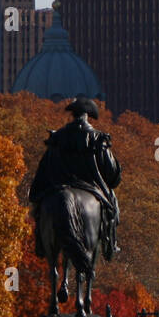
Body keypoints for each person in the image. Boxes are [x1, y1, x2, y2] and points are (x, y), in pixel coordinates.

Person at [29, 96, 121, 260]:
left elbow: (44, 167)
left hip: (57, 186)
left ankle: (40, 242)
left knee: (38, 210)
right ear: (88, 116)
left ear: (73, 115)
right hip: (91, 186)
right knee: (112, 207)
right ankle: (109, 242)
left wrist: (38, 190)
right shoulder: (98, 138)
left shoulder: (57, 138)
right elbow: (112, 172)